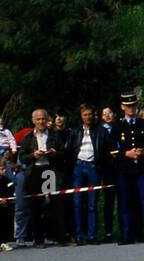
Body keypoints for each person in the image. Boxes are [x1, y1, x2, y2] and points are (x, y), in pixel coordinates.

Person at [111, 91, 144, 245]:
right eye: (128, 106)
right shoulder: (117, 125)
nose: (131, 108)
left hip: (142, 168)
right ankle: (127, 234)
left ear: (137, 105)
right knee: (126, 202)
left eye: (133, 105)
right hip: (125, 169)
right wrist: (126, 153)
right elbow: (112, 149)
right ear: (122, 106)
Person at [18, 108, 69, 247]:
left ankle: (61, 238)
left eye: (43, 119)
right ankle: (38, 240)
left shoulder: (54, 135)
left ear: (47, 120)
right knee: (35, 207)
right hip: (35, 171)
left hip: (50, 170)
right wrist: (33, 156)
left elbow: (63, 153)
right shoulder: (28, 138)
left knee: (56, 204)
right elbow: (22, 156)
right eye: (38, 119)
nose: (41, 122)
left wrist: (54, 153)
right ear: (33, 121)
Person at [67, 104, 110, 245]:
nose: (88, 117)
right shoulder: (74, 131)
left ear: (94, 115)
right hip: (78, 167)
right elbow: (70, 149)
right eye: (85, 115)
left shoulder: (101, 131)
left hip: (93, 167)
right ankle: (79, 235)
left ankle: (92, 235)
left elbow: (107, 151)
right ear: (81, 116)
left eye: (90, 114)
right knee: (77, 202)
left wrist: (101, 166)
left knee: (93, 204)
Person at [99, 106, 117, 242]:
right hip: (107, 168)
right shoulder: (99, 130)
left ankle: (128, 230)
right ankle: (108, 232)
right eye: (104, 113)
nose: (107, 115)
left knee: (125, 200)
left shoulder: (120, 127)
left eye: (109, 112)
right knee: (108, 201)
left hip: (121, 166)